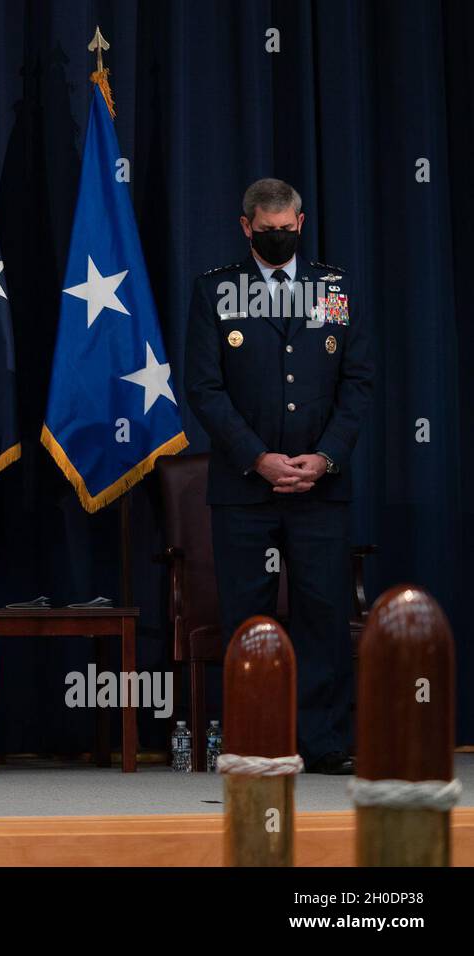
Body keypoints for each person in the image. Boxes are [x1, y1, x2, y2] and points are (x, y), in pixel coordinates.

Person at [185, 177, 373, 774]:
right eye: (267, 229)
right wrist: (258, 458)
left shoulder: (335, 289)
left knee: (322, 614)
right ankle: (257, 740)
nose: (278, 236)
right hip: (244, 488)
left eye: (288, 228)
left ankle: (324, 743)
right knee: (250, 620)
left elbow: (358, 382)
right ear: (247, 227)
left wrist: (326, 457)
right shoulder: (215, 290)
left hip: (322, 487)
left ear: (301, 222)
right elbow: (205, 390)